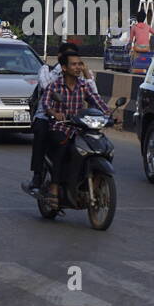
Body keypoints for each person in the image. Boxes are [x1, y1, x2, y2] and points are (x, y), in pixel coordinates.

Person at [38, 49, 111, 200]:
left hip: (81, 129)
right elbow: (45, 104)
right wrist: (54, 113)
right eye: (74, 64)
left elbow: (96, 101)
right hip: (61, 127)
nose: (78, 67)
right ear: (64, 68)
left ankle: (94, 179)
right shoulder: (55, 86)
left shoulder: (84, 86)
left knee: (104, 146)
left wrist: (109, 114)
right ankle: (54, 186)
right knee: (63, 148)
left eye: (80, 64)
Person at [24, 42, 92, 195]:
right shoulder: (46, 70)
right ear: (61, 59)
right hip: (46, 116)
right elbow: (47, 86)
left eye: (78, 61)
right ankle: (37, 175)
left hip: (72, 117)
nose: (76, 66)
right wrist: (63, 71)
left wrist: (86, 73)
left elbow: (94, 94)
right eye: (70, 60)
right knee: (41, 133)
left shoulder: (81, 76)